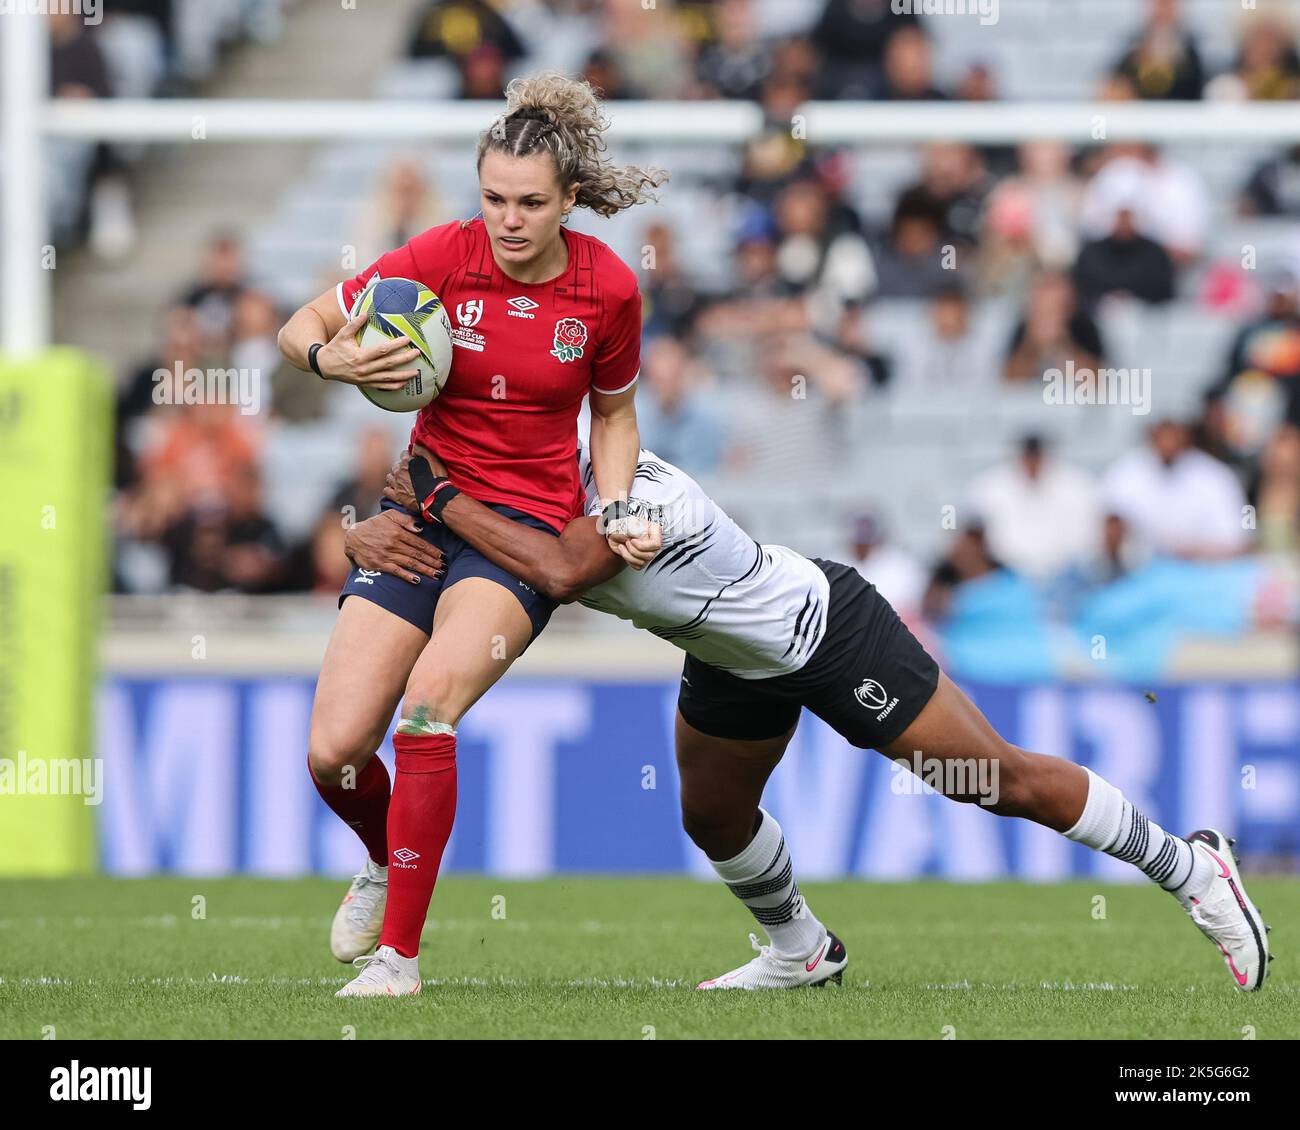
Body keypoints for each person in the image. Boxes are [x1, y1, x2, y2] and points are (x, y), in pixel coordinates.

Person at [346, 444, 1272, 994]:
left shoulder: (639, 497)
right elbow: (435, 530)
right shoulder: (533, 484)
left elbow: (553, 572)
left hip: (827, 632)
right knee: (711, 818)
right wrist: (368, 529)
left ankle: (1191, 868)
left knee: (996, 782)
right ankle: (800, 950)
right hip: (731, 652)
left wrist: (437, 496)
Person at [276, 72, 665, 997]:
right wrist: (332, 357)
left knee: (429, 702)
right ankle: (384, 856)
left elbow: (613, 417)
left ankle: (398, 960)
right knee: (332, 755)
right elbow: (302, 326)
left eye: (531, 203)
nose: (509, 219)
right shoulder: (441, 257)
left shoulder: (606, 288)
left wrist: (610, 510)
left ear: (570, 199)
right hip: (419, 515)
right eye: (494, 198)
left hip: (519, 531)